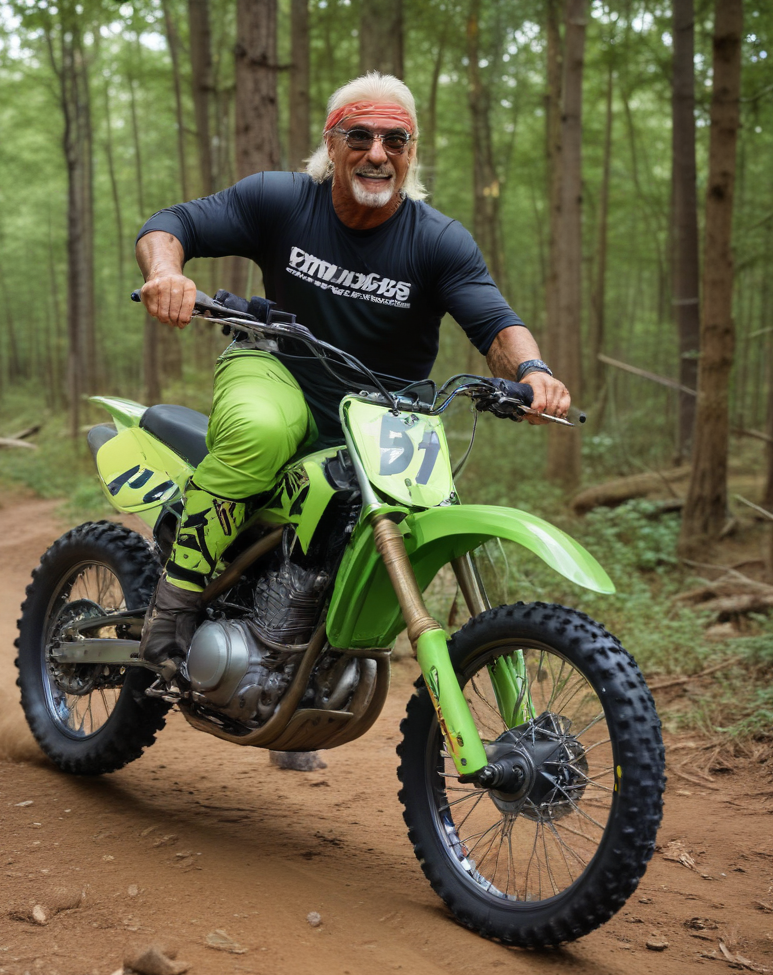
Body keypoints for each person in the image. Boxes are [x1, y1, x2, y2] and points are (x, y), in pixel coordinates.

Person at [135, 72, 570, 680]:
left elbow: (494, 322)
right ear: (332, 144)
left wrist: (534, 371)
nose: (377, 153)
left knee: (384, 526)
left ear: (411, 152)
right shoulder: (281, 200)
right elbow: (172, 222)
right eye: (359, 136)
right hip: (278, 368)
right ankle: (172, 608)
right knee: (259, 432)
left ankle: (296, 662)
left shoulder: (439, 241)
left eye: (395, 141)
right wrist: (167, 273)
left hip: (383, 415)